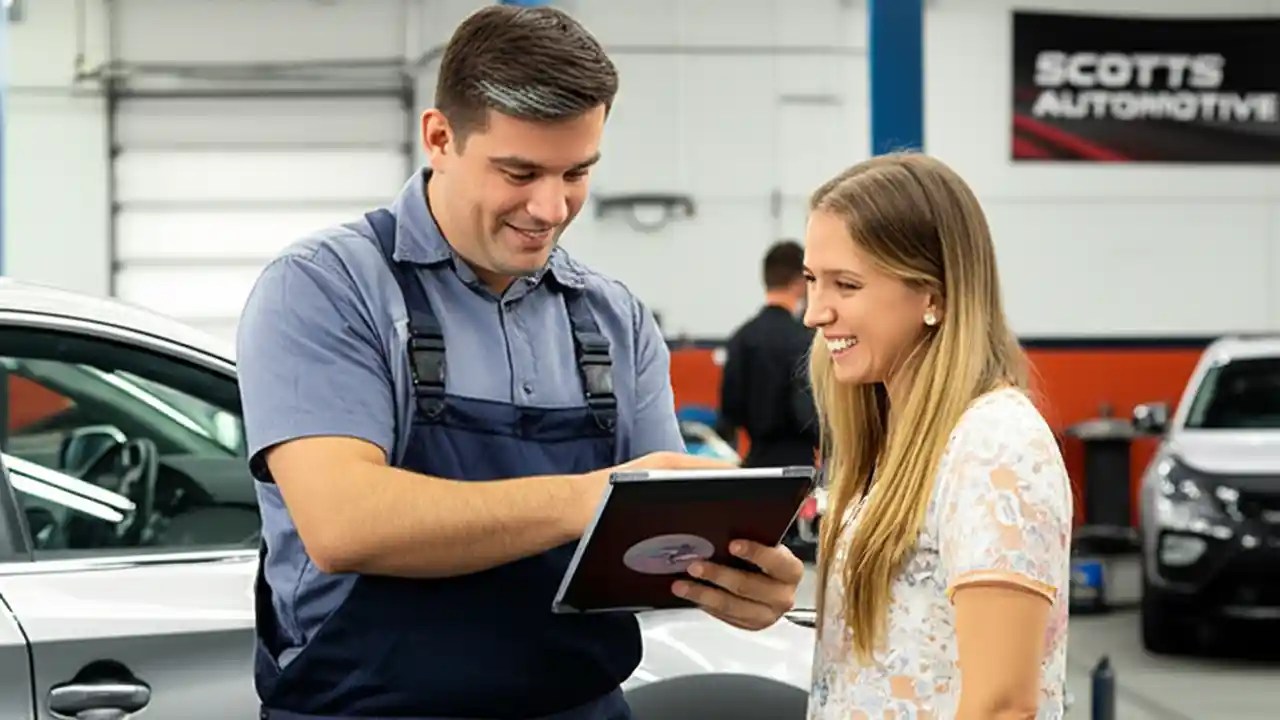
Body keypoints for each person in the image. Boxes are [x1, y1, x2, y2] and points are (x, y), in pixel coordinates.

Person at [234, 6, 804, 720]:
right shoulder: (324, 288)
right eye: (520, 171)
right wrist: (591, 494)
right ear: (439, 137)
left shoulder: (613, 318)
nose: (550, 206)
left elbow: (654, 534)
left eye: (577, 172)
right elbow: (345, 522)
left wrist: (741, 581)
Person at [799, 153, 1072, 719]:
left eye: (845, 285)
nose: (814, 313)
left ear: (934, 297)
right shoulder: (894, 441)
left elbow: (1001, 707)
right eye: (811, 282)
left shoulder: (995, 445)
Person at [717, 240, 820, 468]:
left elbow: (729, 410)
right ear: (799, 282)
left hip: (755, 464)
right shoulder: (803, 339)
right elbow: (806, 412)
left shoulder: (741, 337)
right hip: (799, 466)